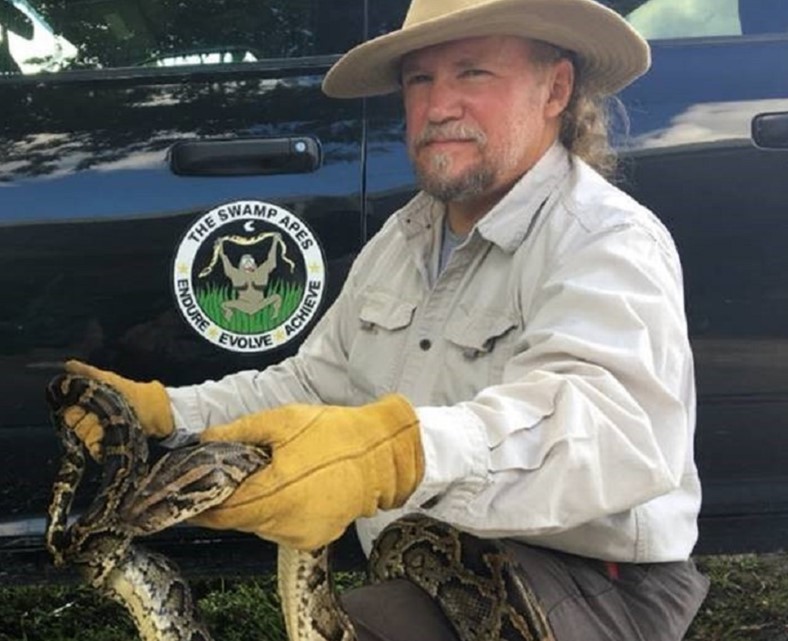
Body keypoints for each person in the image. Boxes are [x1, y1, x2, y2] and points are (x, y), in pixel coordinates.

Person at [60, 0, 709, 639]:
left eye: (472, 72)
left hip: (594, 579)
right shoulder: (401, 243)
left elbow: (609, 427)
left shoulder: (607, 239)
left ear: (555, 89)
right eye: (419, 79)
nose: (439, 104)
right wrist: (166, 413)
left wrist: (396, 453)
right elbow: (314, 386)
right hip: (431, 558)